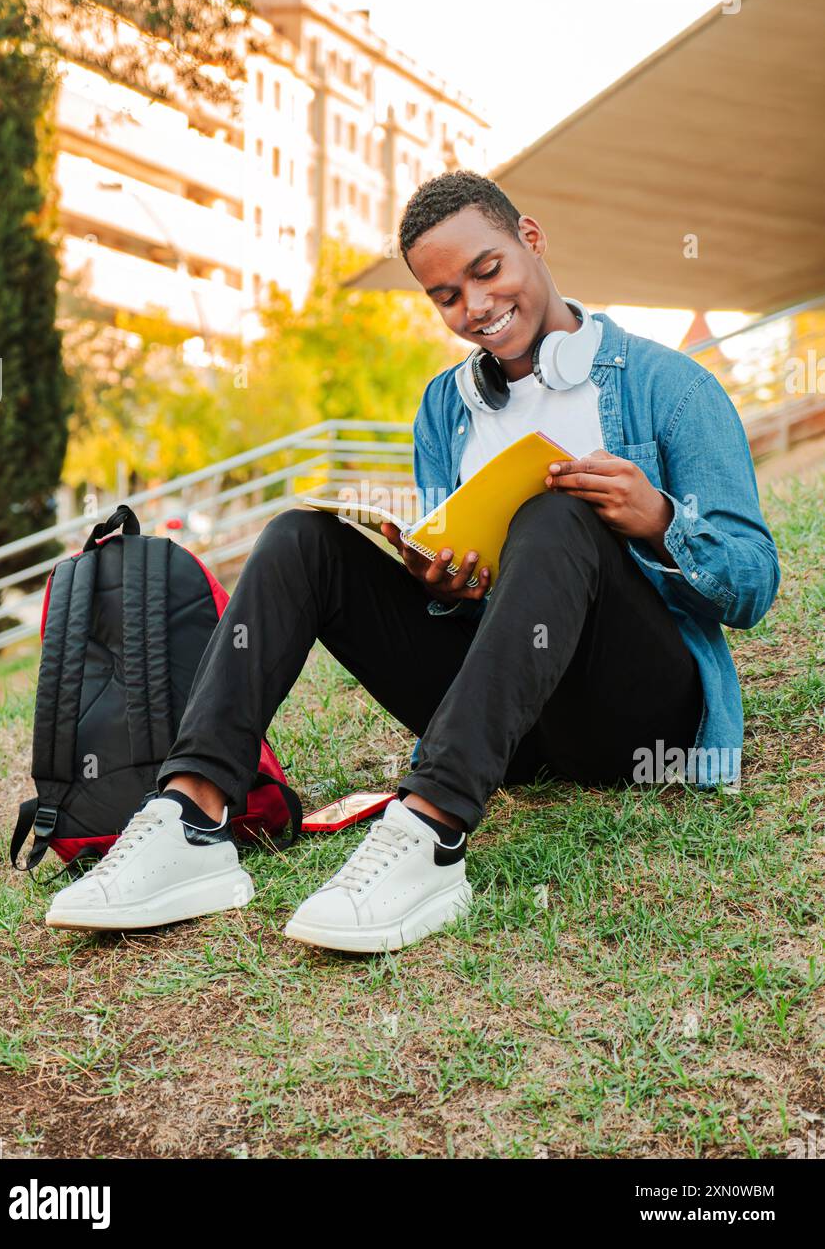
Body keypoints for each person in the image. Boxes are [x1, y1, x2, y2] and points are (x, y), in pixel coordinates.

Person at [45, 170, 780, 951]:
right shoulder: (445, 407)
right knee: (301, 537)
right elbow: (464, 586)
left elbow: (753, 582)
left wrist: (659, 520)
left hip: (637, 723)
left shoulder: (670, 388)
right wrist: (445, 585)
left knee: (559, 511)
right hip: (515, 729)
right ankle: (191, 816)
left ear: (531, 239)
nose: (476, 307)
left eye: (488, 270)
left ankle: (430, 831)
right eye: (446, 295)